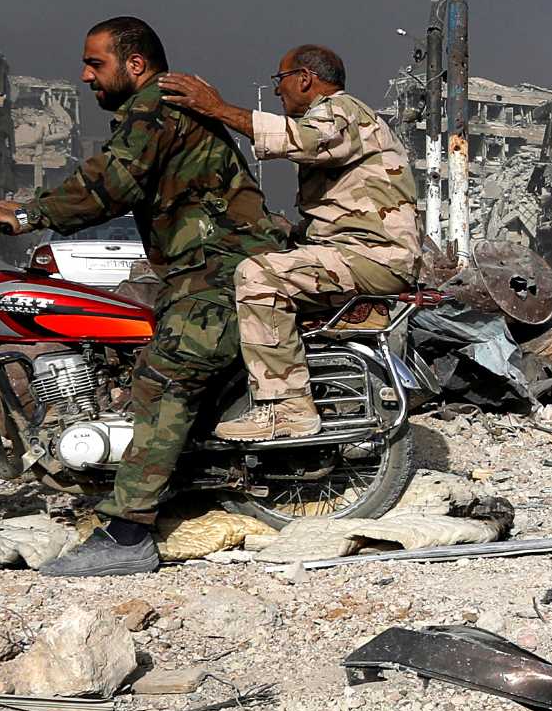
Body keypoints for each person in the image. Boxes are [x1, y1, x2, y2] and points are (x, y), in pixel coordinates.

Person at [0, 17, 280, 576]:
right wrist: (30, 206)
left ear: (134, 64)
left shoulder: (157, 105)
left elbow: (110, 183)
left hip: (221, 269)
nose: (85, 75)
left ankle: (129, 534)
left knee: (165, 378)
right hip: (194, 267)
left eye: (96, 63)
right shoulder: (155, 106)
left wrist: (28, 215)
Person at [157, 47, 422, 442]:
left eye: (279, 80)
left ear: (304, 78)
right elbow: (341, 214)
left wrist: (218, 109)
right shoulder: (341, 117)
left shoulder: (341, 109)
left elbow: (305, 141)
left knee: (259, 276)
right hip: (357, 251)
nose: (277, 91)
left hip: (373, 256)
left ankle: (288, 408)